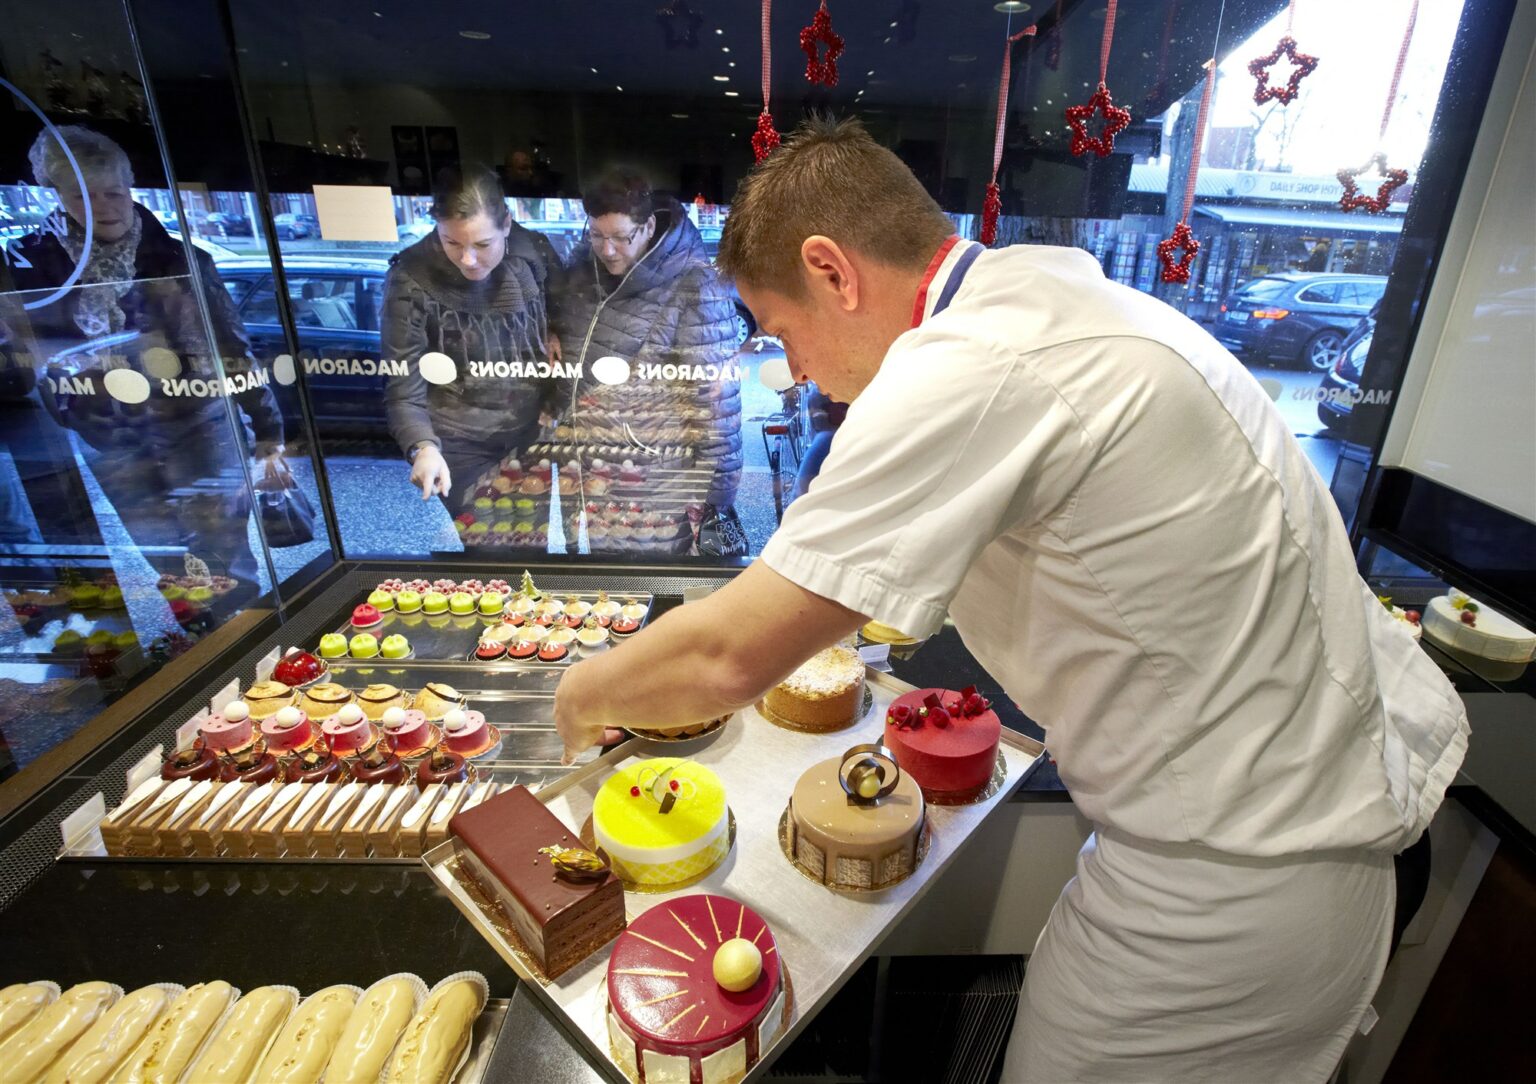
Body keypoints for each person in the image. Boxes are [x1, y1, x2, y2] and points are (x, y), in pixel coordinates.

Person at [553, 118, 1467, 1081]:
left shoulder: (971, 364)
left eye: (783, 333)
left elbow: (722, 659)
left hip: (1236, 880)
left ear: (834, 271)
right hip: (1325, 816)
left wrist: (582, 696)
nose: (797, 372)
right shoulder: (1050, 298)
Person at [4, 125, 284, 597]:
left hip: (198, 423)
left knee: (224, 552)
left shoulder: (179, 258)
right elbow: (25, 353)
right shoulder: (28, 266)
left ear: (129, 187)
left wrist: (270, 432)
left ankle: (246, 642)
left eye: (112, 193)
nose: (103, 208)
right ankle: (200, 642)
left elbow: (233, 351)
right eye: (82, 196)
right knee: (164, 557)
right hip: (110, 436)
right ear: (56, 194)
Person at [556, 168, 744, 555]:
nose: (607, 250)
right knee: (610, 598)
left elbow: (715, 404)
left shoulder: (694, 285)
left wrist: (715, 498)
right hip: (592, 475)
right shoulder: (580, 276)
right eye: (597, 236)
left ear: (648, 226)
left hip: (660, 481)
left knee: (660, 590)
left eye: (621, 238)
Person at [383, 164, 562, 513]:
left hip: (529, 432)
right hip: (458, 440)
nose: (468, 259)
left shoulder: (535, 255)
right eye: (451, 242)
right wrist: (423, 447)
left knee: (531, 540)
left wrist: (552, 330)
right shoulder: (410, 278)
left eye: (483, 244)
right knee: (489, 547)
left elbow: (567, 308)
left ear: (507, 224)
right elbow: (402, 382)